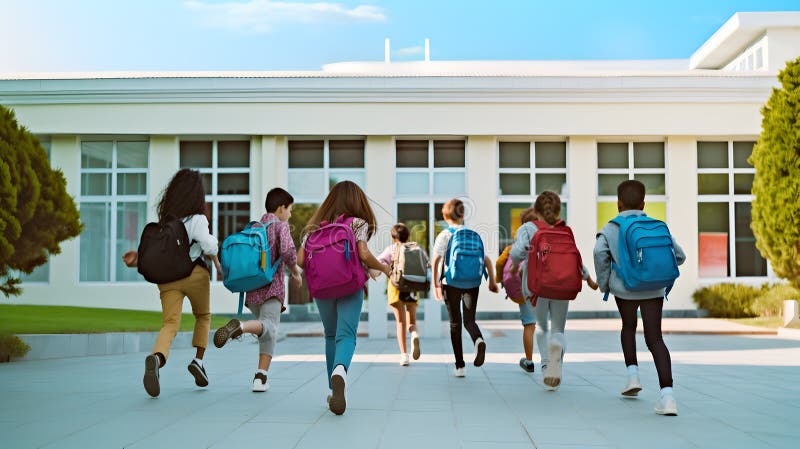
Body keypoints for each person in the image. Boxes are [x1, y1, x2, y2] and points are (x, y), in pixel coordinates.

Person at [122, 168, 222, 398]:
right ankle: (198, 361)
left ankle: (157, 358)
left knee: (169, 324)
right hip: (194, 275)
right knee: (203, 316)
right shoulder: (197, 219)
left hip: (168, 280)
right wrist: (217, 259)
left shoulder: (166, 223)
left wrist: (136, 261)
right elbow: (208, 245)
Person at [297, 180, 390, 415]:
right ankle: (340, 371)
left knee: (330, 335)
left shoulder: (313, 228)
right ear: (357, 201)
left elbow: (299, 261)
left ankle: (333, 388)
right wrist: (383, 268)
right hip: (349, 285)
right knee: (346, 334)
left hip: (322, 289)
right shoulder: (357, 223)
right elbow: (363, 253)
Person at [594, 180, 686, 416]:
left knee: (628, 326)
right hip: (654, 289)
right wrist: (656, 271)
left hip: (625, 288)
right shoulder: (657, 225)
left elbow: (599, 253)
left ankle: (632, 376)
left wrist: (605, 283)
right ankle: (668, 397)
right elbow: (680, 256)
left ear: (618, 204)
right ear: (644, 203)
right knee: (655, 338)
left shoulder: (611, 228)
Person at [212, 188, 303, 392]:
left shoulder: (254, 226)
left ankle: (260, 378)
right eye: (290, 210)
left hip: (251, 291)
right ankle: (240, 327)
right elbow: (288, 251)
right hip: (272, 288)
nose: (290, 214)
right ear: (281, 208)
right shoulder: (280, 226)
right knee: (269, 327)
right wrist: (296, 272)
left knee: (266, 332)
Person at [510, 191, 598, 390]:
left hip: (537, 287)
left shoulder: (527, 228)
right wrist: (588, 279)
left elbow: (517, 252)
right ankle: (557, 349)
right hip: (563, 286)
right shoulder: (565, 231)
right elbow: (575, 260)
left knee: (542, 327)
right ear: (559, 211)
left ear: (536, 211)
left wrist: (515, 265)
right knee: (558, 329)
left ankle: (546, 367)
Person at [432, 198, 499, 378]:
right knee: (469, 320)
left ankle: (460, 366)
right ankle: (478, 340)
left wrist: (436, 283)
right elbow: (486, 259)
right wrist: (492, 281)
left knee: (455, 323)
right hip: (472, 282)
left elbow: (436, 260)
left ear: (445, 217)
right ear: (462, 215)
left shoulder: (444, 235)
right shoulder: (471, 234)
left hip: (451, 283)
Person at [495, 208, 538, 373]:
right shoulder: (544, 244)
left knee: (529, 325)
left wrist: (499, 280)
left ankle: (529, 361)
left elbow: (500, 263)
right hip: (543, 288)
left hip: (524, 289)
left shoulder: (513, 247)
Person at [377, 223, 424, 366]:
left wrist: (387, 271)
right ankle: (414, 334)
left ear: (393, 237)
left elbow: (378, 262)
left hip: (396, 287)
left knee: (400, 322)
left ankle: (404, 356)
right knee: (411, 322)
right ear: (408, 236)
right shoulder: (415, 248)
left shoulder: (391, 249)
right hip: (412, 287)